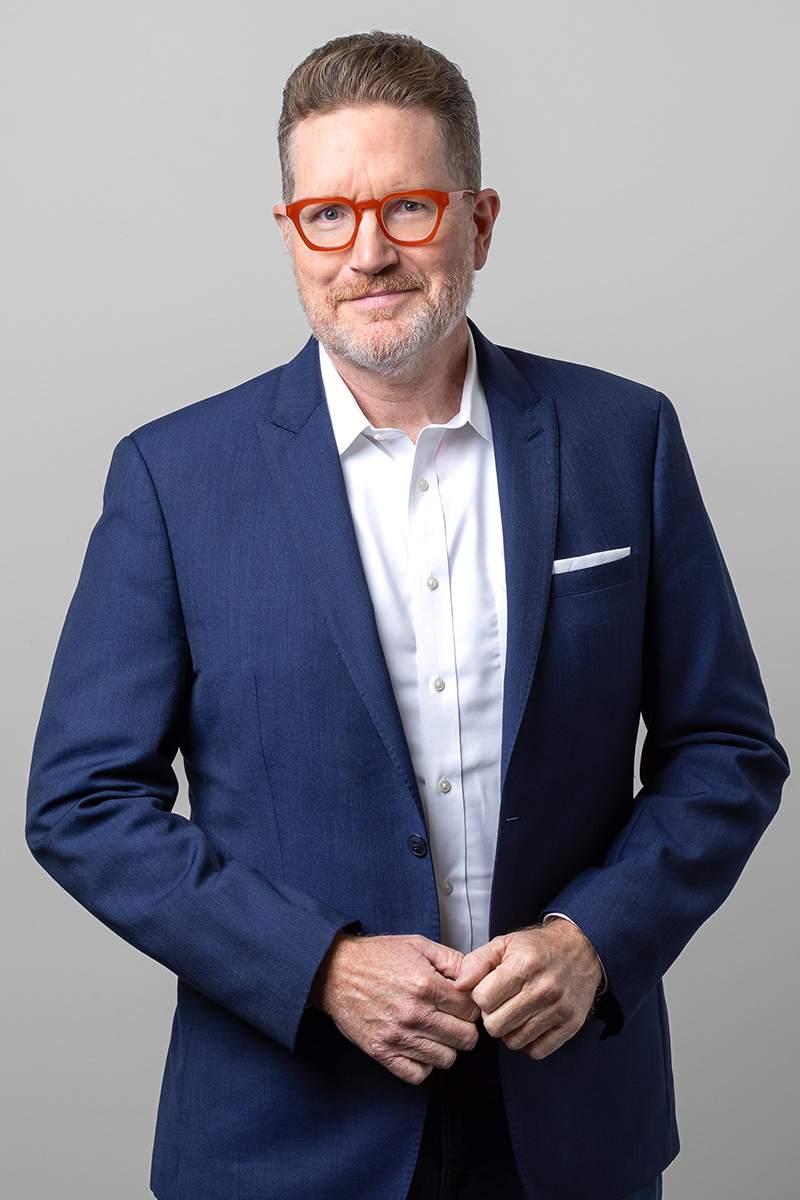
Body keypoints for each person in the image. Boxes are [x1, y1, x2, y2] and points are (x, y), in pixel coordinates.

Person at [27, 30, 788, 1200]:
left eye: (408, 209)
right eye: (328, 214)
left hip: (566, 1122)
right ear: (289, 233)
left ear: (478, 222)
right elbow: (81, 803)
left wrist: (594, 939)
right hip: (285, 1129)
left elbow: (726, 748)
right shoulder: (174, 479)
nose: (368, 252)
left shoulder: (621, 439)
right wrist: (318, 968)